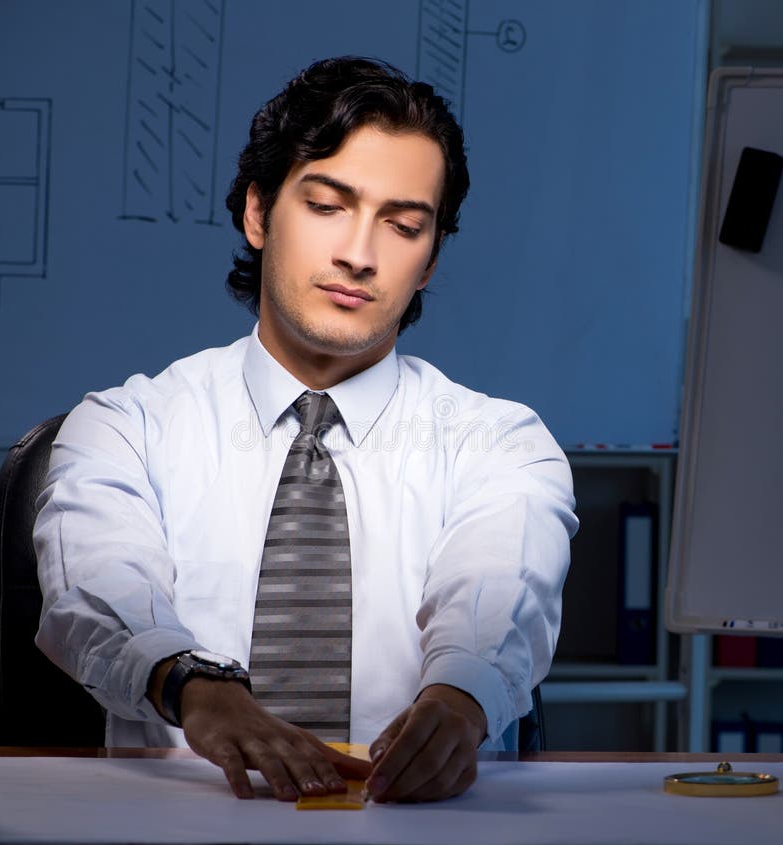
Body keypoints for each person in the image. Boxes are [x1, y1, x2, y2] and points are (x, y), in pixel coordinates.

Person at [34, 56, 577, 804]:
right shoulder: (125, 428)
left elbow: (497, 592)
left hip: (415, 826)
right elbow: (98, 587)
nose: (359, 254)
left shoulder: (502, 444)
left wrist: (459, 698)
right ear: (258, 214)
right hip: (186, 823)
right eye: (326, 206)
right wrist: (199, 689)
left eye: (404, 226)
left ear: (428, 261)